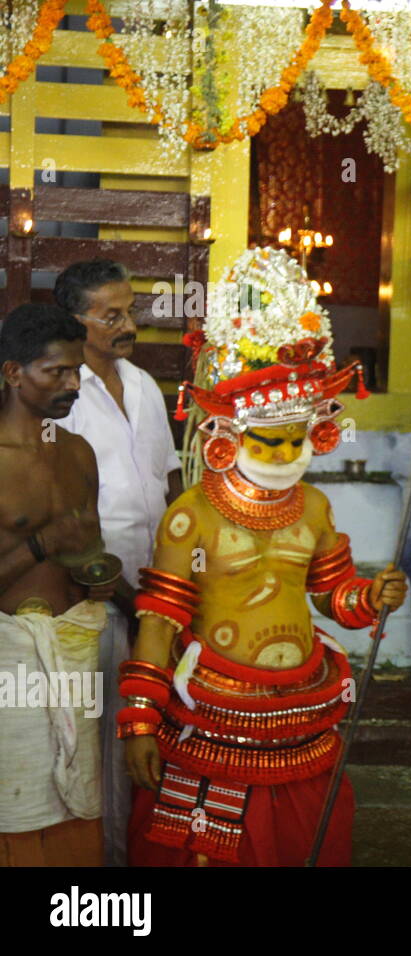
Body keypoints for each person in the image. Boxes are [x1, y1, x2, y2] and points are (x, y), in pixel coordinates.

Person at [118, 247, 408, 866]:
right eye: (268, 441)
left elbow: (336, 596)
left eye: (295, 440)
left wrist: (373, 597)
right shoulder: (192, 513)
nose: (283, 455)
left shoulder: (314, 508)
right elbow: (159, 619)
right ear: (228, 437)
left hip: (303, 712)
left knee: (303, 845)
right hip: (213, 715)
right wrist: (141, 722)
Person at [54, 259, 183, 866]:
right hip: (98, 599)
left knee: (150, 737)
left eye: (130, 311)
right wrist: (131, 598)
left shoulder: (142, 386)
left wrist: (184, 577)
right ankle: (106, 877)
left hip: (160, 597)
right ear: (75, 322)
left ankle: (142, 855)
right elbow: (66, 521)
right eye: (113, 315)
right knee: (102, 744)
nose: (128, 324)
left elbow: (170, 482)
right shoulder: (62, 397)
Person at [0, 304, 116, 866]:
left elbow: (84, 557)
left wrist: (97, 576)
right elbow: (49, 545)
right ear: (13, 372)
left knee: (76, 799)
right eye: (56, 373)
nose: (72, 385)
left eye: (77, 372)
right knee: (16, 803)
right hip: (9, 662)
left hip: (72, 650)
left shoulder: (78, 453)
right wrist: (42, 544)